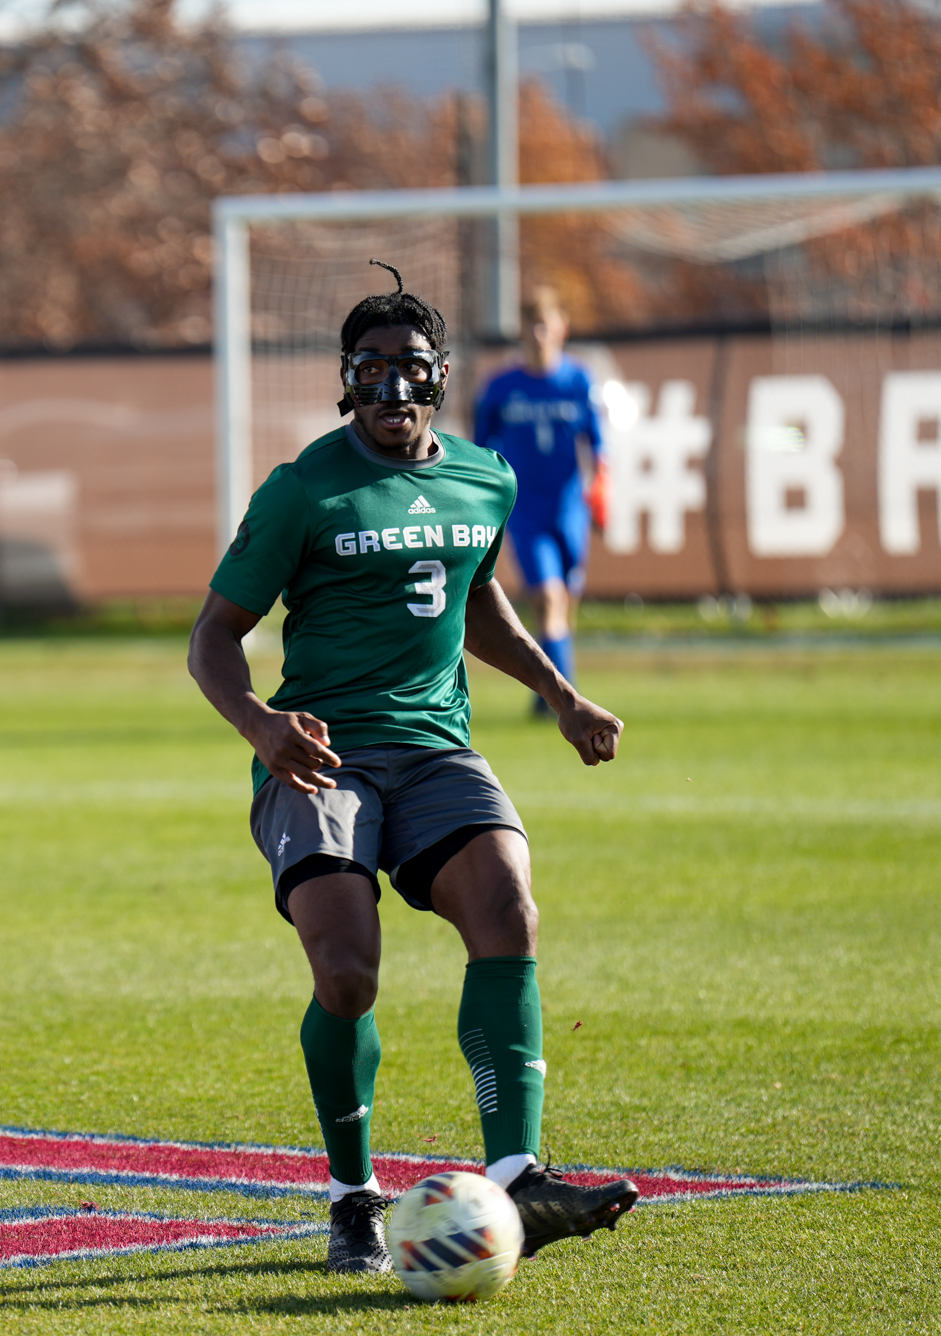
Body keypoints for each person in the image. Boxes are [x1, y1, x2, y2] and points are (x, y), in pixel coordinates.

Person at [186, 263, 638, 1274]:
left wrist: (560, 695)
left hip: (436, 749)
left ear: (437, 377)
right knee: (345, 973)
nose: (392, 387)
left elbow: (474, 599)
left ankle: (517, 1175)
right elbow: (211, 639)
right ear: (347, 380)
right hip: (321, 760)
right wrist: (261, 729)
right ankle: (351, 1197)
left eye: (410, 366)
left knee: (508, 914)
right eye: (373, 368)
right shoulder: (303, 487)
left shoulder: (485, 474)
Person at [472, 286, 607, 703]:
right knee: (547, 596)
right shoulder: (501, 386)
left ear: (561, 329)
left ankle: (546, 688)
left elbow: (598, 442)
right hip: (526, 508)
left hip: (569, 508)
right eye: (530, 325)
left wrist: (603, 485)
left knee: (563, 600)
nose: (537, 334)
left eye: (544, 325)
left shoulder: (578, 380)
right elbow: (481, 449)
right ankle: (562, 697)